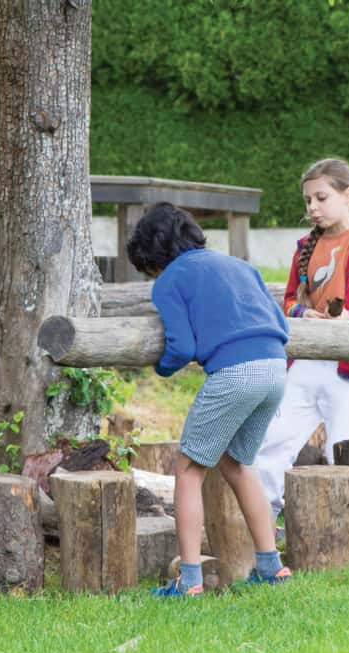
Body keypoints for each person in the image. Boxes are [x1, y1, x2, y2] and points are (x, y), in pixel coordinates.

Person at [126, 202, 292, 597]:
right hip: (275, 369)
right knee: (236, 464)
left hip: (235, 373)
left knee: (187, 471)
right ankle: (272, 567)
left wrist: (162, 368)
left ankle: (190, 581)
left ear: (152, 255)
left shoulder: (168, 281)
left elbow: (181, 346)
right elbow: (280, 322)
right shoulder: (238, 265)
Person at [255, 157, 349, 524]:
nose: (312, 208)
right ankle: (264, 527)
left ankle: (344, 534)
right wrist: (305, 315)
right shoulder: (305, 245)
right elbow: (289, 301)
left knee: (344, 451)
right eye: (307, 201)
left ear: (347, 195)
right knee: (272, 443)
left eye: (321, 198)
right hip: (305, 363)